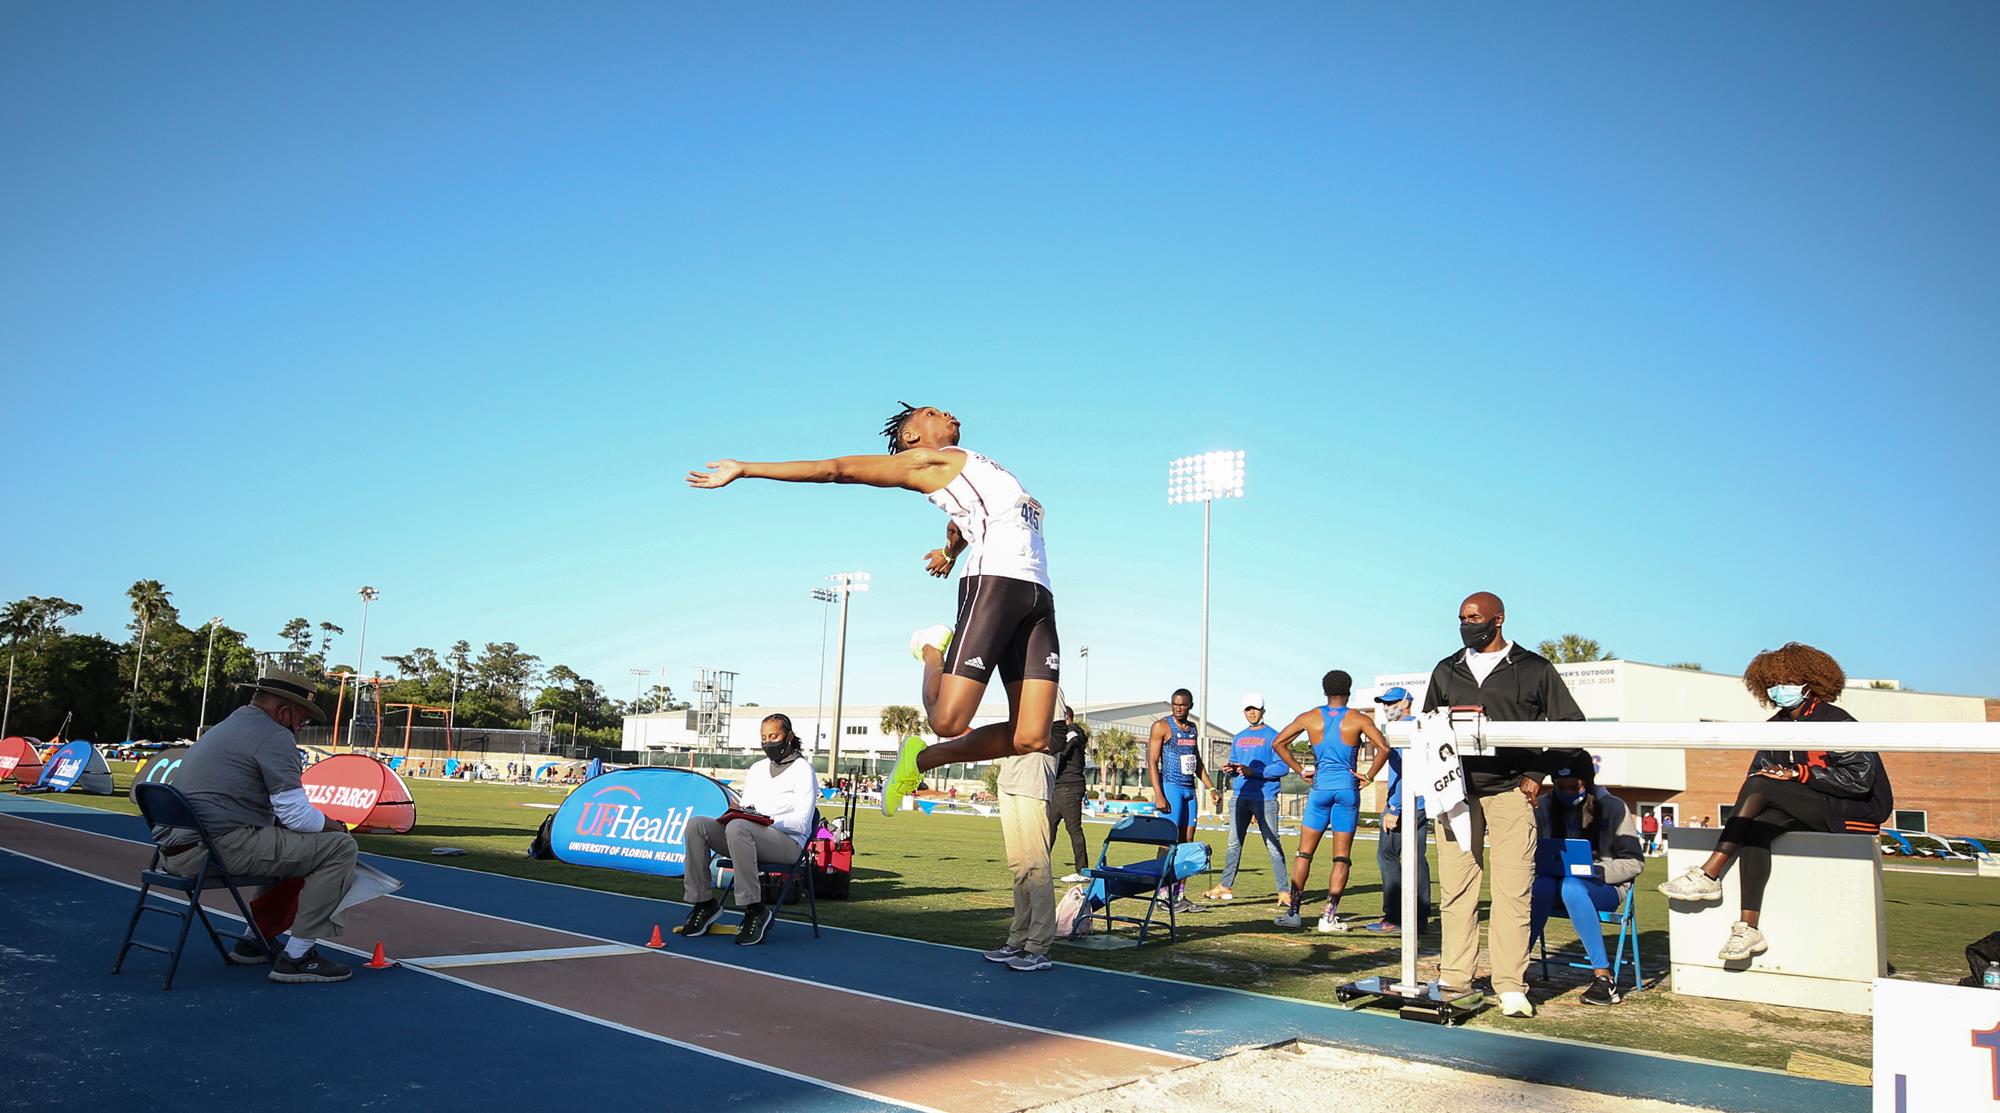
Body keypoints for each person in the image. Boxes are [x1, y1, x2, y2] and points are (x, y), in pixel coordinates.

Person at [689, 403, 1060, 817]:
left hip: (1039, 593)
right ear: (912, 438)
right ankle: (931, 648)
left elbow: (961, 523)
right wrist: (745, 469)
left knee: (1032, 737)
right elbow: (834, 469)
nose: (946, 412)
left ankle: (920, 760)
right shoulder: (925, 462)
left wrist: (949, 552)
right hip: (996, 583)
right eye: (931, 413)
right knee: (947, 721)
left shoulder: (975, 468)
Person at [1657, 643, 1893, 962]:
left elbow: (1859, 780)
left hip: (1851, 810)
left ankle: (1710, 873)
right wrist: (1781, 779)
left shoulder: (1837, 721)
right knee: (1755, 828)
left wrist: (1799, 773)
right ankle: (1748, 927)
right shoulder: (1775, 727)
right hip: (1803, 809)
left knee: (1761, 784)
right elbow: (1761, 775)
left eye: (1788, 681)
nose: (1779, 689)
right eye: (1772, 683)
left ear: (1811, 682)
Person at [1422, 591, 1584, 1019]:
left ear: (1498, 619)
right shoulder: (1446, 669)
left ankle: (1511, 984)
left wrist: (1538, 770)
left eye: (1475, 617)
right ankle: (1455, 978)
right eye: (1462, 618)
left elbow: (1571, 725)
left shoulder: (1534, 668)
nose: (1467, 624)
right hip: (1456, 795)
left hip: (1511, 792)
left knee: (1513, 892)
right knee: (1457, 891)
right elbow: (1428, 728)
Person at [150, 667, 359, 984]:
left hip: (174, 851)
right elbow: (297, 815)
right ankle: (298, 957)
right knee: (339, 849)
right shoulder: (274, 736)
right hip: (212, 850)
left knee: (296, 845)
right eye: (302, 719)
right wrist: (337, 826)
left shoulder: (226, 726)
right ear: (284, 711)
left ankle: (255, 941)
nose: (300, 727)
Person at [678, 714, 820, 946]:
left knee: (739, 826)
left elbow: (802, 823)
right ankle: (703, 903)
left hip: (788, 844)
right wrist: (741, 812)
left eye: (774, 736)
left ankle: (755, 908)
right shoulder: (757, 769)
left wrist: (763, 820)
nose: (768, 742)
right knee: (697, 825)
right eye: (764, 737)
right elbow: (747, 808)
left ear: (789, 736)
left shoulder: (803, 770)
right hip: (747, 835)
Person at [1269, 671, 1388, 932]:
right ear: (1349, 690)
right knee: (1341, 857)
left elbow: (1278, 743)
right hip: (1347, 790)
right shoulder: (1358, 718)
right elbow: (1384, 748)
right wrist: (1369, 776)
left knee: (1304, 853)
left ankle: (1293, 913)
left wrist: (1300, 770)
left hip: (1320, 789)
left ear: (1324, 690)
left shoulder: (1310, 717)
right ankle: (1329, 917)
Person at [1531, 755, 1645, 1006]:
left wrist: (1595, 871)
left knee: (1572, 886)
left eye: (1574, 787)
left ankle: (1604, 978)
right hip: (1553, 884)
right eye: (1561, 787)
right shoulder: (1543, 806)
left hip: (1603, 887)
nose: (1567, 793)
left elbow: (1634, 862)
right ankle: (1513, 972)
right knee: (1542, 885)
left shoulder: (1613, 807)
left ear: (1587, 783)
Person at [1206, 694, 1290, 906]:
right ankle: (1225, 886)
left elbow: (1283, 767)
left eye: (1255, 709)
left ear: (1263, 710)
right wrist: (1232, 770)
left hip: (1265, 798)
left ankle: (1284, 891)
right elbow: (1237, 766)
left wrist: (1255, 772)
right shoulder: (1239, 737)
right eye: (1248, 709)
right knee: (1233, 844)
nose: (1252, 713)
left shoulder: (1274, 736)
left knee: (1272, 844)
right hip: (1239, 797)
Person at [985, 743, 1058, 972]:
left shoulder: (1052, 714)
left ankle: (1039, 948)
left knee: (1037, 867)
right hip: (1008, 780)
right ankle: (1018, 940)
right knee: (1019, 867)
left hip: (1033, 781)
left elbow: (1056, 739)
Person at [1366, 686, 1432, 935]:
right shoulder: (1421, 727)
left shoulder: (1403, 729)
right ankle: (1420, 918)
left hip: (1404, 803)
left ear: (1406, 703)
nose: (1386, 707)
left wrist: (1395, 807)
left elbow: (1408, 770)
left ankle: (1394, 916)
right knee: (1417, 859)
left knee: (1388, 856)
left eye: (1391, 702)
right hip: (1421, 802)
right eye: (1384, 703)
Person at [1148, 688, 1217, 913]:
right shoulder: (1162, 726)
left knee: (1187, 843)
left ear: (1190, 706)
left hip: (1189, 791)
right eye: (1175, 704)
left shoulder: (1193, 729)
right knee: (1168, 842)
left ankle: (1179, 895)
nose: (1178, 708)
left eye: (1183, 705)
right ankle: (1162, 895)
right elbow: (1152, 762)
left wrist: (1211, 787)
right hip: (1171, 789)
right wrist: (1159, 794)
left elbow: (1197, 761)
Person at [1047, 706, 1091, 883]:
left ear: (1065, 717)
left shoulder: (1072, 733)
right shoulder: (1070, 733)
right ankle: (1040, 866)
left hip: (1069, 787)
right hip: (1060, 787)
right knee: (1049, 826)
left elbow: (1060, 753)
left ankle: (1082, 871)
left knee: (1073, 829)